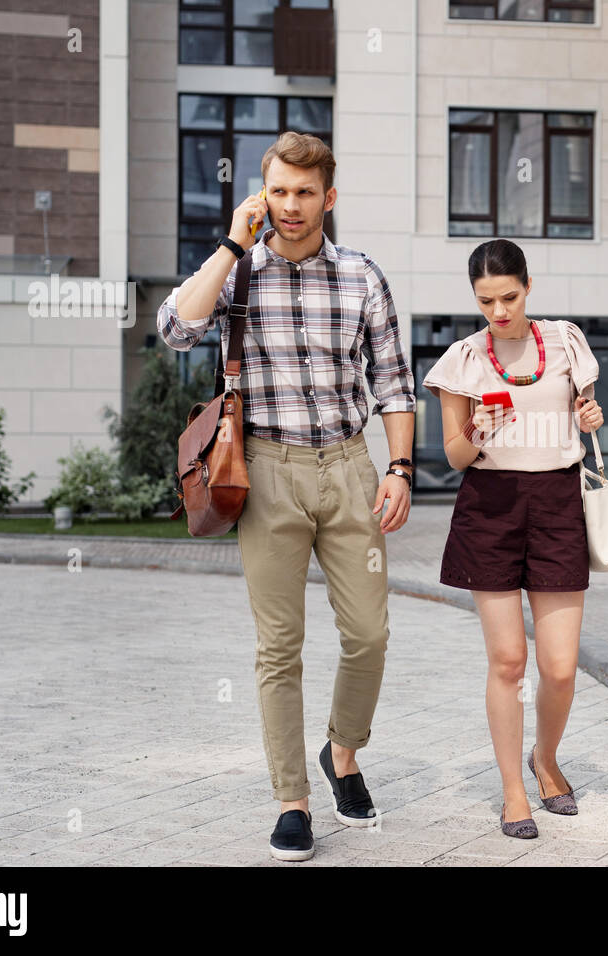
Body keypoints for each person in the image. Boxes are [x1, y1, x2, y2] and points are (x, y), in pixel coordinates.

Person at [157, 132, 417, 862]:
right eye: (279, 191)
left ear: (328, 198)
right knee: (279, 645)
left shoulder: (363, 276)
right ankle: (293, 799)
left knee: (368, 634)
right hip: (263, 473)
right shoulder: (237, 273)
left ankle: (343, 749)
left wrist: (399, 468)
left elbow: (395, 383)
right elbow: (176, 330)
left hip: (347, 467)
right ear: (260, 195)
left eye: (306, 193)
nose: (292, 206)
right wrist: (232, 249)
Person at [421, 238, 604, 839]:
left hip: (556, 502)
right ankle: (513, 790)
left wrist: (588, 417)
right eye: (485, 301)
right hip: (490, 506)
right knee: (508, 660)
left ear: (529, 287)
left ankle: (545, 757)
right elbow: (452, 455)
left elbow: (583, 408)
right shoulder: (463, 360)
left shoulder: (566, 341)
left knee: (559, 666)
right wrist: (477, 429)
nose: (498, 312)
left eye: (508, 297)